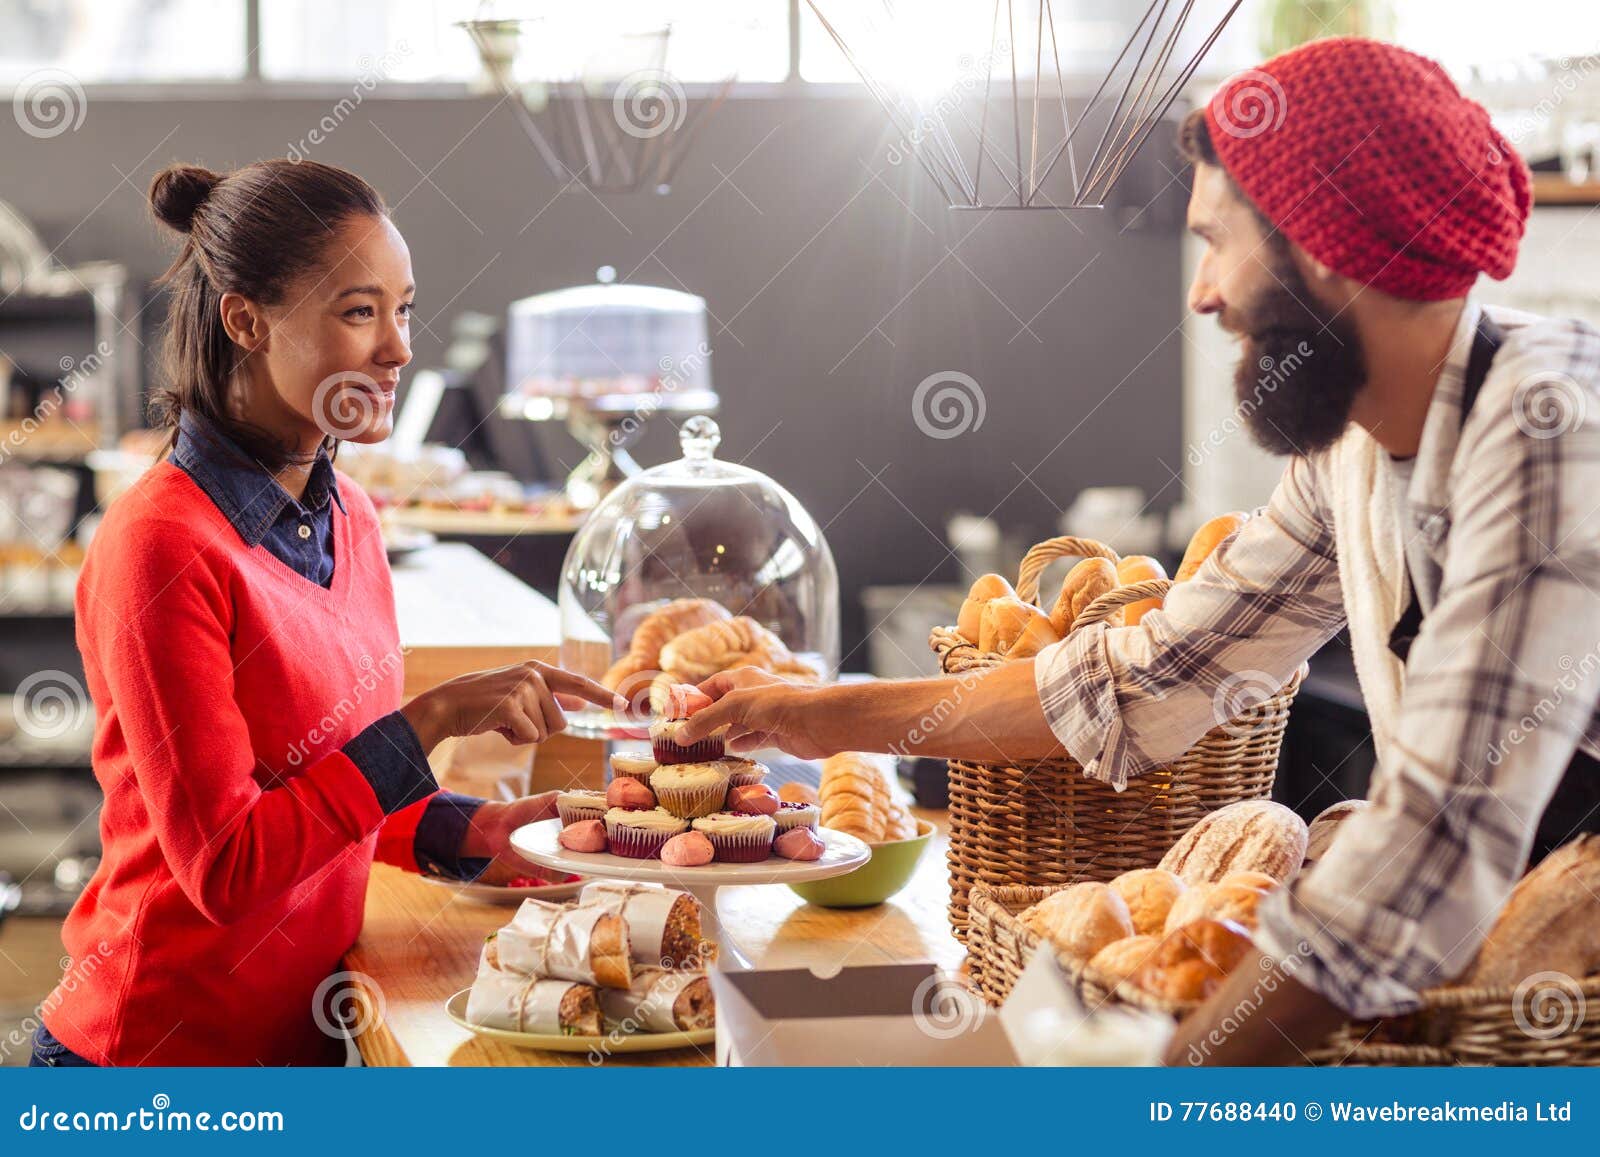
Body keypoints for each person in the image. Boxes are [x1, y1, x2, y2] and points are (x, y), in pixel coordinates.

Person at [677, 38, 1600, 1064]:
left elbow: (1427, 850)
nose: (1202, 292)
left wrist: (1165, 1089)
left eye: (1217, 241)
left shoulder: (1550, 427)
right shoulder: (1351, 442)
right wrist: (816, 714)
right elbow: (1156, 674)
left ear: (1323, 242)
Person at [30, 159, 621, 1067]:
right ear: (246, 319)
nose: (398, 347)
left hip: (299, 1044)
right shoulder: (159, 544)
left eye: (404, 309)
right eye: (359, 311)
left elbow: (323, 794)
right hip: (154, 1058)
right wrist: (428, 721)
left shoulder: (354, 517)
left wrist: (481, 833)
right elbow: (229, 864)